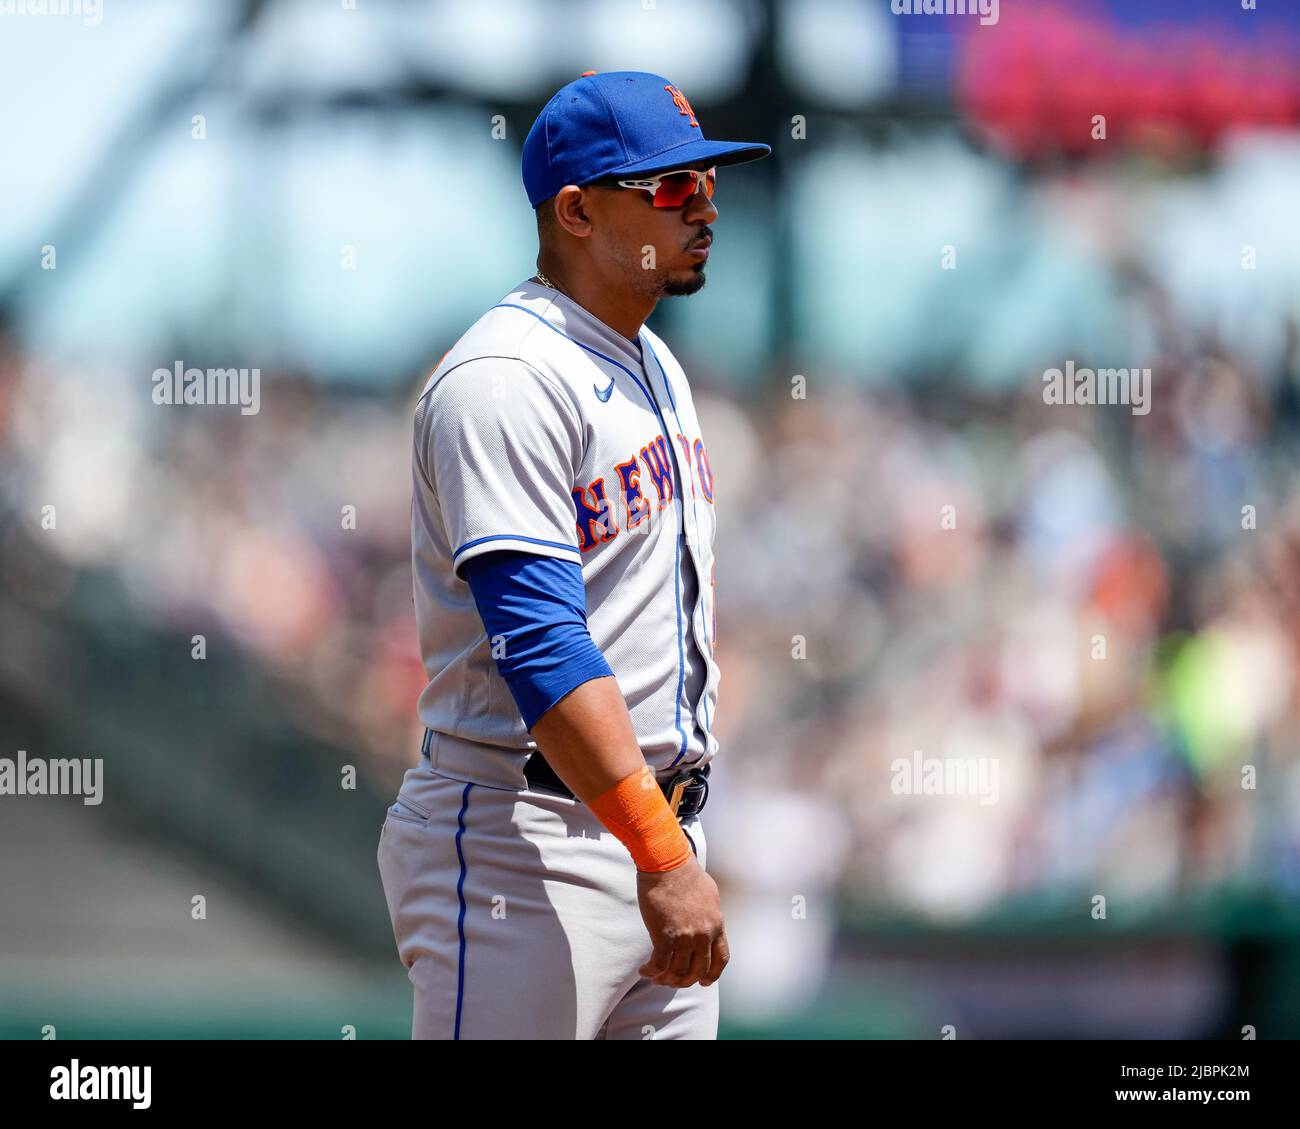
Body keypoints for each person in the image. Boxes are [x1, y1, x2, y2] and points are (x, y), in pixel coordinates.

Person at [377, 70, 769, 1040]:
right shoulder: (503, 379)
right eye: (671, 188)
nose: (704, 206)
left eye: (708, 183)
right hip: (523, 845)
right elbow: (543, 648)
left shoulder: (655, 362)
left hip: (648, 833)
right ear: (577, 210)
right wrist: (664, 857)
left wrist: (668, 846)